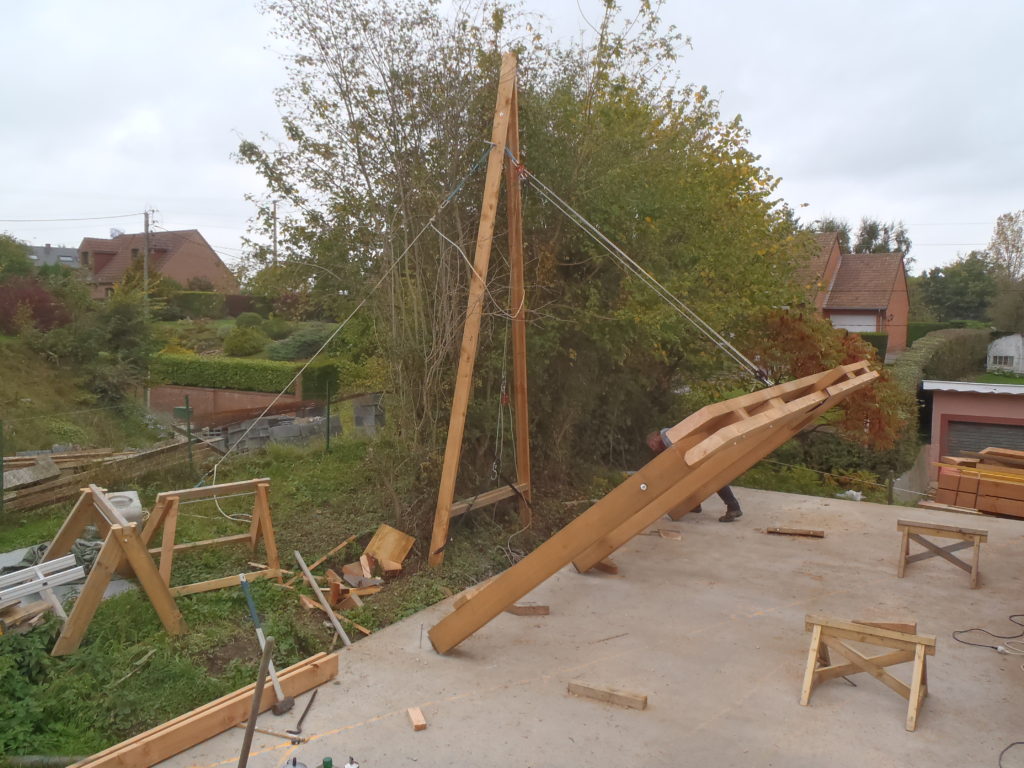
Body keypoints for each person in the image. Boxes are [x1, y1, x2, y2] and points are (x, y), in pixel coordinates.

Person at [645, 429, 744, 522]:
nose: (653, 449)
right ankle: (695, 505)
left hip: (701, 455)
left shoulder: (667, 437)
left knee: (714, 479)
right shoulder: (667, 436)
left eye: (652, 445)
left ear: (655, 437)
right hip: (700, 455)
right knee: (693, 479)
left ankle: (733, 508)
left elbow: (679, 452)